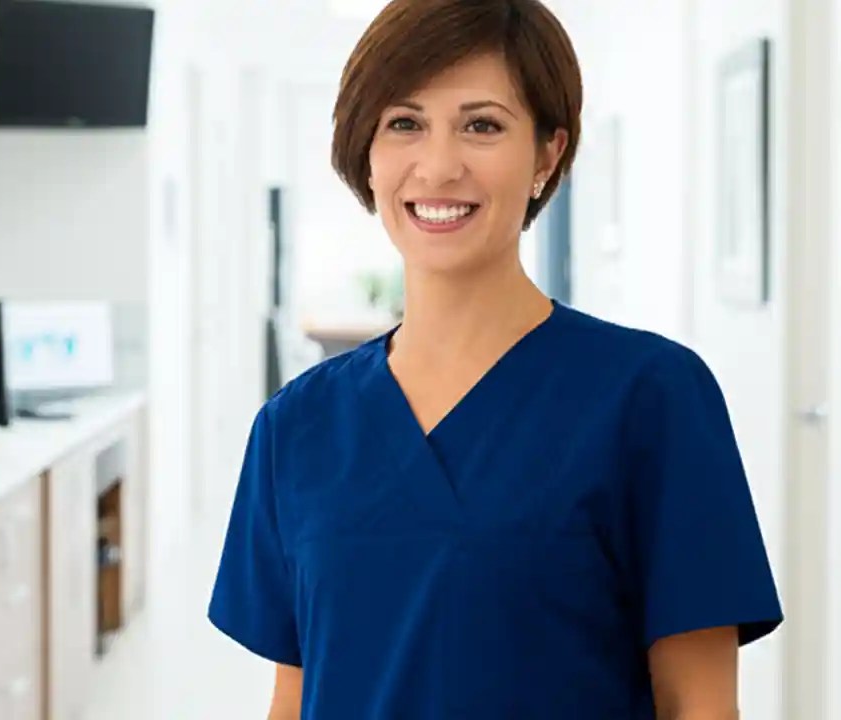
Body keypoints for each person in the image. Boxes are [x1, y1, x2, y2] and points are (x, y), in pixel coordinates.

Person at [206, 0, 784, 717]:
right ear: (368, 151)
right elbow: (294, 696)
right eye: (404, 123)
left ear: (547, 153)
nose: (439, 165)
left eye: (482, 125)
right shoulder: (294, 428)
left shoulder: (651, 399)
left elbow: (699, 704)